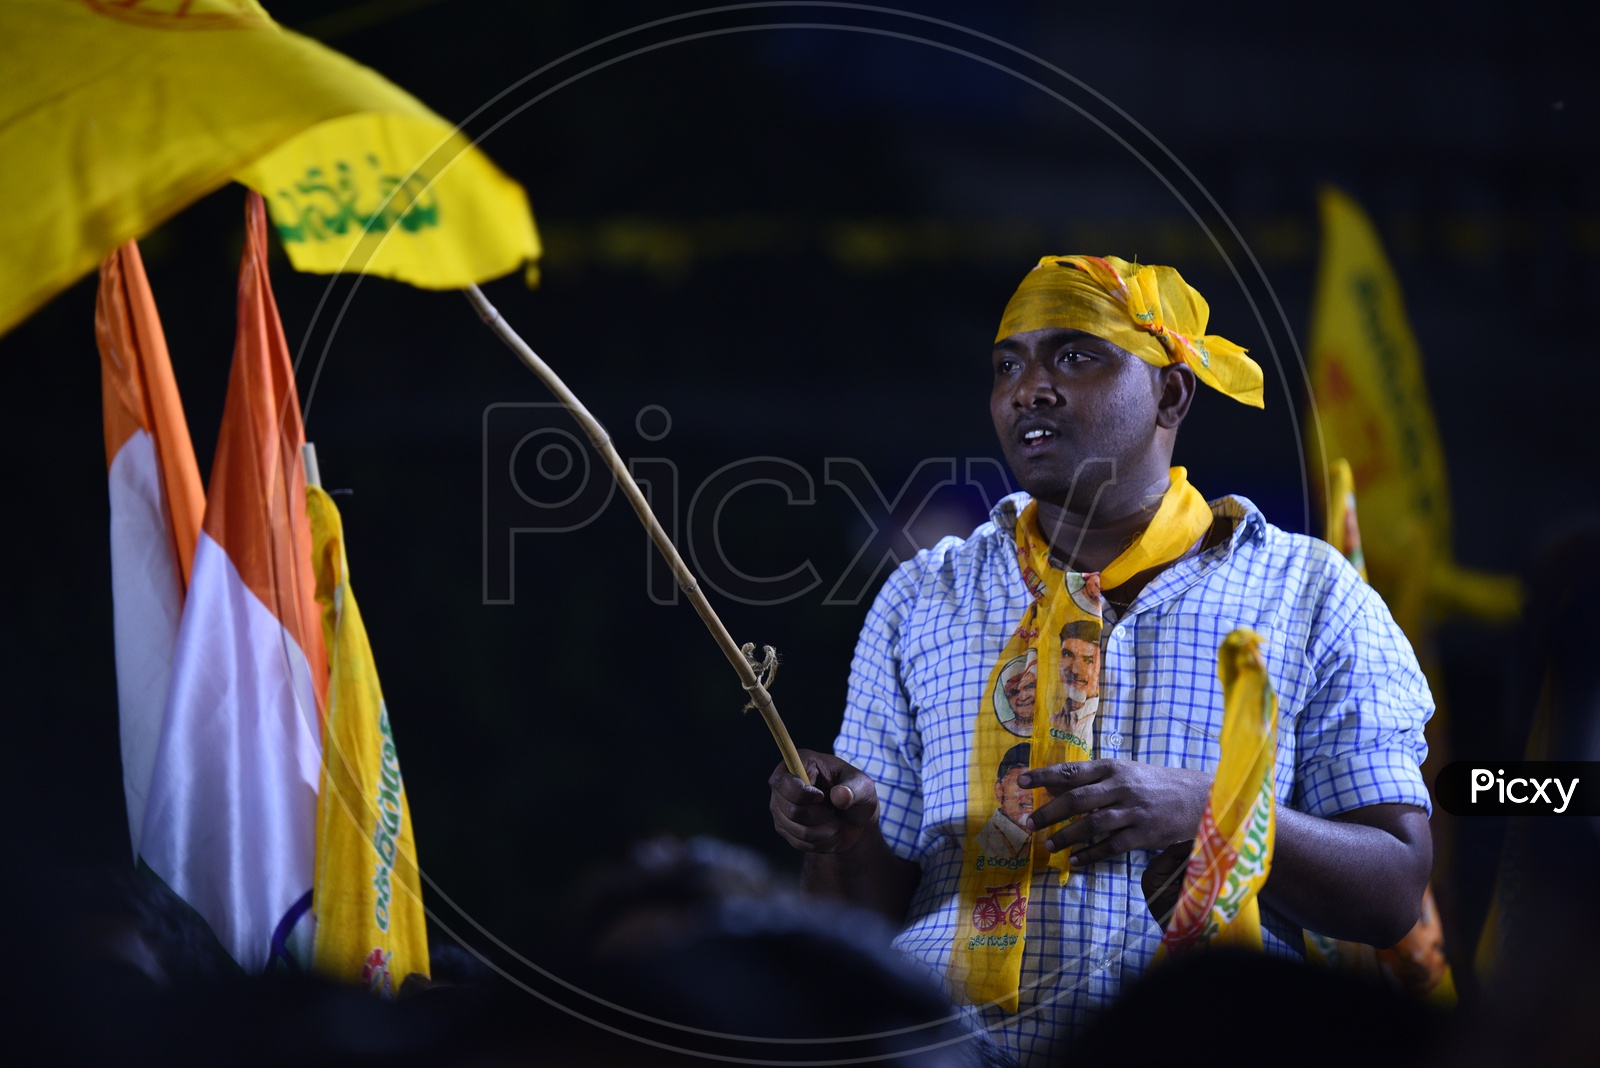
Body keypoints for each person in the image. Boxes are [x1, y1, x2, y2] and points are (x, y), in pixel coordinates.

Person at [768, 255, 1434, 1065]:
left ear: (1172, 393)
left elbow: (1393, 891)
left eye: (1077, 356)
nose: (1030, 389)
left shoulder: (1310, 592)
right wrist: (843, 836)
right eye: (1007, 366)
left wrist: (1210, 813)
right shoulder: (925, 596)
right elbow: (856, 928)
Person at [975, 744, 1035, 862]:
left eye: (1039, 784)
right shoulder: (983, 845)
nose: (1032, 795)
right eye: (1023, 784)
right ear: (999, 790)